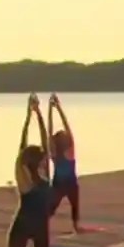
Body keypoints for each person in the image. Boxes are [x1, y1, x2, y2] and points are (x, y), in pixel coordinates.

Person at [0, 95, 56, 247]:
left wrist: (38, 113)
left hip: (39, 222)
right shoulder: (24, 177)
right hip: (23, 223)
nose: (45, 158)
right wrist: (26, 118)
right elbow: (21, 148)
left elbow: (44, 141)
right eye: (41, 157)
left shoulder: (43, 171)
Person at [46, 94, 81, 233]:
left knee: (53, 207)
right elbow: (67, 128)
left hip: (60, 183)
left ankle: (75, 226)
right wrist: (58, 108)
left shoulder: (55, 154)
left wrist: (50, 109)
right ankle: (75, 226)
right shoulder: (69, 152)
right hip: (67, 183)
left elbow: (49, 132)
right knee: (73, 205)